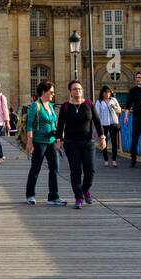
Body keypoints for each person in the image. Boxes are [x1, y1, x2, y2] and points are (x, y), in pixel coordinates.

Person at [57, 80, 103, 208]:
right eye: (75, 89)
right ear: (70, 91)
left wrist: (102, 137)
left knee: (90, 170)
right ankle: (78, 197)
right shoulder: (65, 106)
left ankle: (85, 189)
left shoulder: (89, 104)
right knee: (75, 171)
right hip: (71, 143)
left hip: (88, 142)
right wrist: (58, 140)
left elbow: (97, 122)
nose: (78, 91)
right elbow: (60, 125)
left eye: (79, 89)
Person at [23, 80, 65, 206]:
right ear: (43, 91)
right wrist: (29, 143)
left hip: (51, 141)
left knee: (54, 168)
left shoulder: (51, 106)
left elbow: (53, 123)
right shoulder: (35, 106)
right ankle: (30, 195)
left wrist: (58, 137)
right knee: (35, 168)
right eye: (51, 92)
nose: (53, 94)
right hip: (39, 142)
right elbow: (29, 126)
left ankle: (53, 196)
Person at [95, 85, 122, 167]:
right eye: (105, 92)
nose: (107, 94)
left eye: (109, 92)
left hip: (113, 123)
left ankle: (114, 160)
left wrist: (114, 107)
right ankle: (106, 160)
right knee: (104, 142)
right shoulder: (99, 102)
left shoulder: (113, 100)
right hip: (103, 124)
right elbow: (97, 114)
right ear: (102, 93)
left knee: (114, 142)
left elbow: (120, 110)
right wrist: (97, 125)